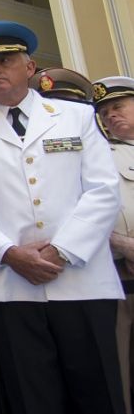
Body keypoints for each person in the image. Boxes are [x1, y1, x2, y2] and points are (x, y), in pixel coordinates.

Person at [0, 20, 124, 414]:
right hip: (10, 285)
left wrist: (61, 250)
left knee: (97, 392)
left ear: (29, 67)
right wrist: (10, 253)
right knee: (30, 398)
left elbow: (102, 191)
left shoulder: (75, 117)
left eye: (4, 60)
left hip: (81, 280)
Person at [94, 76, 134, 414]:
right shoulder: (100, 156)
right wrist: (123, 245)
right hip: (123, 278)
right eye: (104, 113)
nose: (111, 117)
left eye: (117, 107)